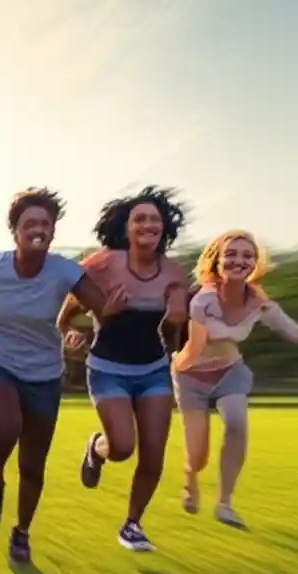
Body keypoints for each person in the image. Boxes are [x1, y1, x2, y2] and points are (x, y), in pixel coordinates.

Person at [0, 187, 106, 565]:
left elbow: (103, 309)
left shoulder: (65, 271)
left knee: (33, 464)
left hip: (44, 374)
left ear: (53, 232)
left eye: (45, 224)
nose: (38, 229)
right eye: (29, 223)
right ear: (14, 231)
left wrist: (84, 333)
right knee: (5, 427)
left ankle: (22, 532)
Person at [172, 229, 298, 528]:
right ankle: (190, 477)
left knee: (237, 422)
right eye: (231, 254)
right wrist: (171, 367)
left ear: (255, 263)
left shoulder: (259, 302)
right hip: (192, 376)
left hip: (230, 372)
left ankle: (225, 503)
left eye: (247, 255)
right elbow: (205, 342)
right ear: (217, 261)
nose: (239, 260)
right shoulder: (202, 300)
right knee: (198, 456)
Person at [59, 185, 189, 552]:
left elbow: (173, 333)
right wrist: (73, 333)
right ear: (126, 227)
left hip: (153, 369)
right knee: (122, 447)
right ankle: (96, 448)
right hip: (108, 367)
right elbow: (66, 317)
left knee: (153, 453)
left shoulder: (174, 271)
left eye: (154, 219)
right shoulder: (102, 264)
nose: (148, 224)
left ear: (164, 228)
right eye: (139, 219)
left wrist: (175, 316)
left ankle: (132, 525)